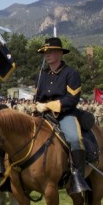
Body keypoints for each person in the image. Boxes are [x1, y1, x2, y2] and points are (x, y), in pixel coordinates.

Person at [33, 36, 90, 195]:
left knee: (73, 138)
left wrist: (50, 105)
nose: (47, 55)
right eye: (45, 52)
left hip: (65, 114)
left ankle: (78, 176)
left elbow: (72, 99)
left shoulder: (71, 73)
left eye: (51, 52)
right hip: (42, 114)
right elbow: (37, 96)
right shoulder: (41, 75)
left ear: (60, 53)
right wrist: (37, 105)